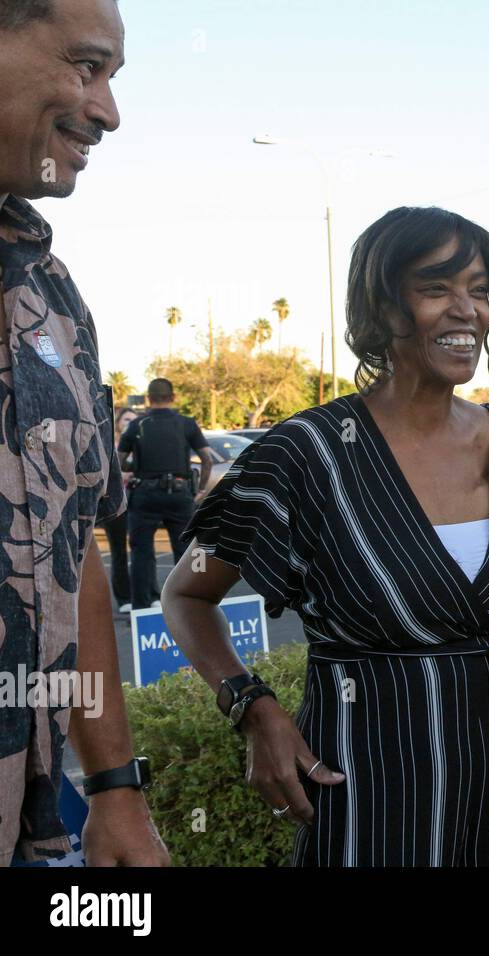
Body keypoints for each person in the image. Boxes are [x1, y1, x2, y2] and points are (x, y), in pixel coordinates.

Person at [163, 206, 489, 866]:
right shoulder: (309, 453)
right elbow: (185, 594)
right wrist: (253, 707)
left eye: (479, 290)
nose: (466, 309)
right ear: (382, 305)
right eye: (436, 287)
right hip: (370, 789)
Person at [0, 0, 167, 864]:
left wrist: (114, 789)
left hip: (39, 830)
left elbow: (74, 551)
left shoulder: (55, 295)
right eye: (85, 66)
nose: (106, 110)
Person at [117, 378, 211, 610]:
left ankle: (141, 608)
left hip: (145, 494)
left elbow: (117, 462)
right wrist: (200, 490)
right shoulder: (186, 424)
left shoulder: (138, 424)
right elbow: (207, 460)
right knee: (187, 552)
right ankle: (190, 605)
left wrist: (136, 466)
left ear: (149, 399)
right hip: (180, 494)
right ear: (173, 397)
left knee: (141, 553)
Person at [104, 405, 137, 611]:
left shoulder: (142, 446)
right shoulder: (111, 444)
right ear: (118, 423)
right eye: (126, 420)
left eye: (134, 420)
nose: (130, 424)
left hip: (139, 502)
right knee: (119, 552)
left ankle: (145, 594)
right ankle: (124, 598)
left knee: (141, 550)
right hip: (116, 503)